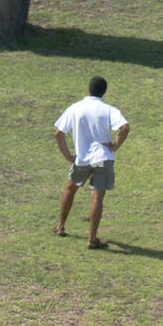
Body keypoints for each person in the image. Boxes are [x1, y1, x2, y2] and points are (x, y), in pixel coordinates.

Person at [53, 75, 129, 250]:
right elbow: (125, 127)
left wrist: (68, 156)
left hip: (82, 158)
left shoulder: (75, 108)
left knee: (70, 189)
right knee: (97, 196)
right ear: (104, 92)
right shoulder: (108, 109)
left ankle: (60, 226)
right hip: (102, 158)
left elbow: (58, 133)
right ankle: (92, 239)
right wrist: (115, 146)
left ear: (88, 89)